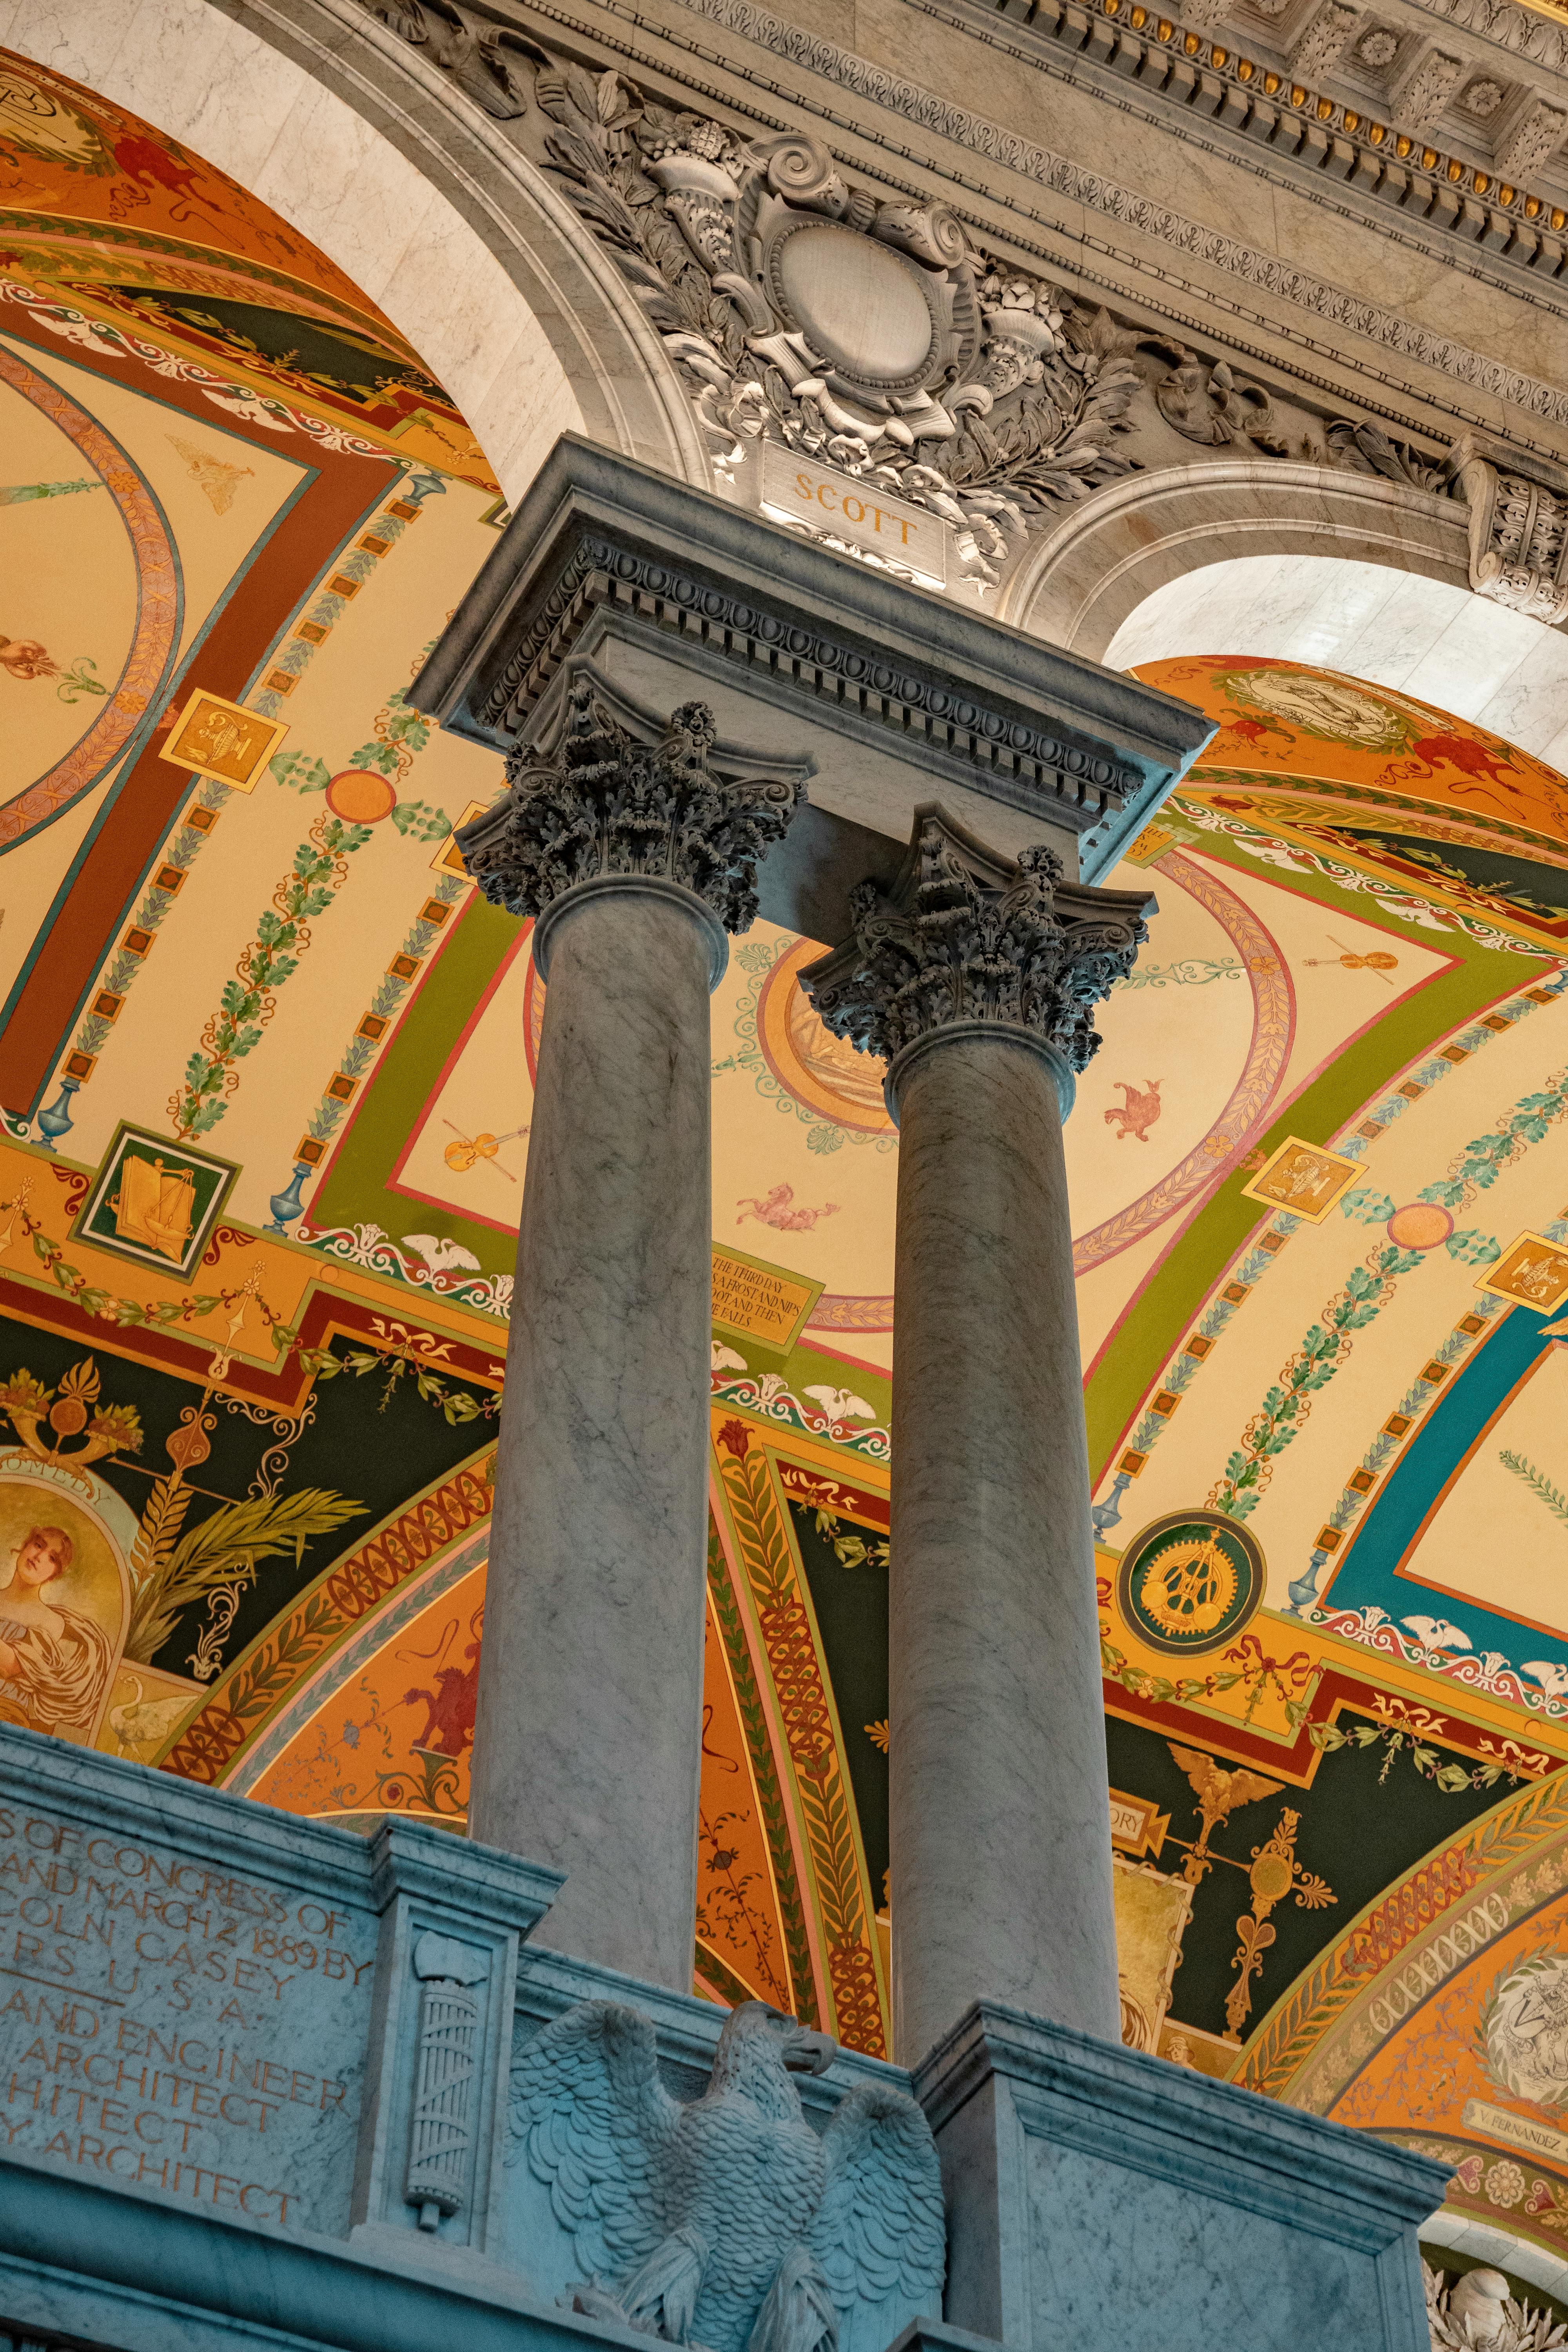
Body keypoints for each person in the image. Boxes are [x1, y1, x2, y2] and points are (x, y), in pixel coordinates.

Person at [0, 1524, 113, 1735]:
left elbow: (9, 1666)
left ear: (53, 1575)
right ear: (25, 1547)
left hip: (6, 1717)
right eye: (38, 1545)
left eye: (52, 1558)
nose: (40, 1556)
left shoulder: (51, 1622)